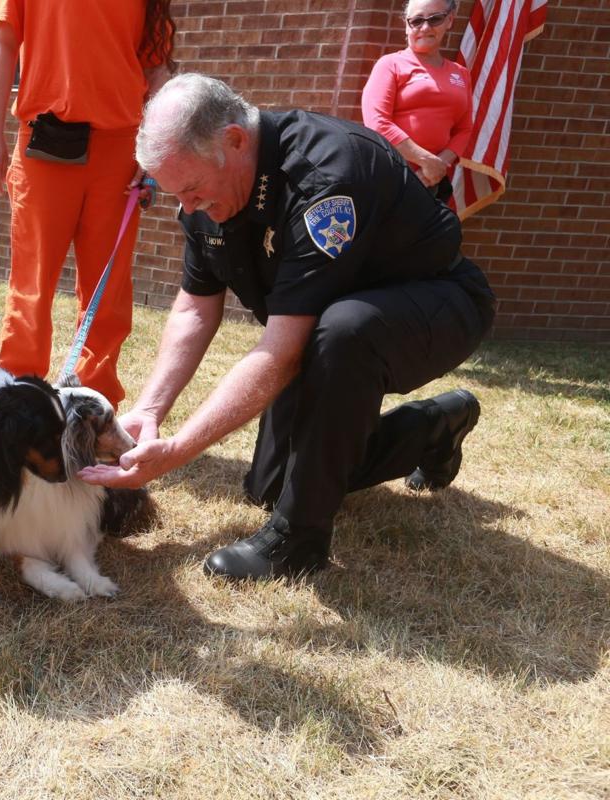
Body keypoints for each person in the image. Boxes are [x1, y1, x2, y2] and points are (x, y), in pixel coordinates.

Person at [79, 74, 495, 580]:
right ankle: (433, 429)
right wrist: (149, 410)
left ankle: (298, 542)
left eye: (190, 190)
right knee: (272, 485)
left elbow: (283, 351)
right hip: (329, 326)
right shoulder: (207, 192)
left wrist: (179, 450)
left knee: (344, 331)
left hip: (437, 302)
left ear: (235, 140)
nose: (186, 208)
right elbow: (195, 308)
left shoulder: (325, 176)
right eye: (176, 194)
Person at [0, 0, 175, 409]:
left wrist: (153, 146)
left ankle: (93, 405)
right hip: (44, 141)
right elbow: (5, 42)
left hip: (121, 148)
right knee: (31, 285)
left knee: (108, 291)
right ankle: (20, 401)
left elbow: (156, 68)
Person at [361, 0, 471, 203]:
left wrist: (437, 166)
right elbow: (377, 122)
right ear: (406, 24)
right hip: (389, 175)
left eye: (435, 19)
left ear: (449, 20)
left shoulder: (461, 74)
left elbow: (464, 129)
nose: (425, 28)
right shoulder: (390, 64)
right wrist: (425, 161)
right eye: (417, 21)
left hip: (433, 181)